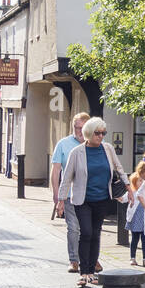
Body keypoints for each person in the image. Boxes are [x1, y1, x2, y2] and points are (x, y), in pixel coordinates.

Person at [57, 116, 129, 288]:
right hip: (83, 200)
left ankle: (91, 272)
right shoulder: (77, 152)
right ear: (89, 133)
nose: (101, 136)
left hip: (102, 199)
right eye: (97, 133)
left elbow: (119, 168)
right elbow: (66, 178)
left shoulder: (108, 149)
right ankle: (84, 273)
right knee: (86, 233)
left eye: (103, 133)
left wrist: (129, 187)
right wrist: (61, 200)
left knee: (96, 234)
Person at [51, 112, 91, 274]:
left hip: (90, 195)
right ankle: (74, 260)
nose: (78, 131)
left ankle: (90, 259)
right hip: (70, 195)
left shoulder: (96, 144)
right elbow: (55, 171)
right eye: (76, 128)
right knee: (74, 228)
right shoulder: (63, 144)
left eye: (82, 128)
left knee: (89, 229)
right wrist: (56, 195)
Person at [125, 160, 145, 265]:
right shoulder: (132, 192)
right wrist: (119, 197)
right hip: (134, 219)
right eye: (139, 181)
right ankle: (132, 258)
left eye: (143, 181)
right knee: (134, 238)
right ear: (134, 182)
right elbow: (124, 198)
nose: (142, 183)